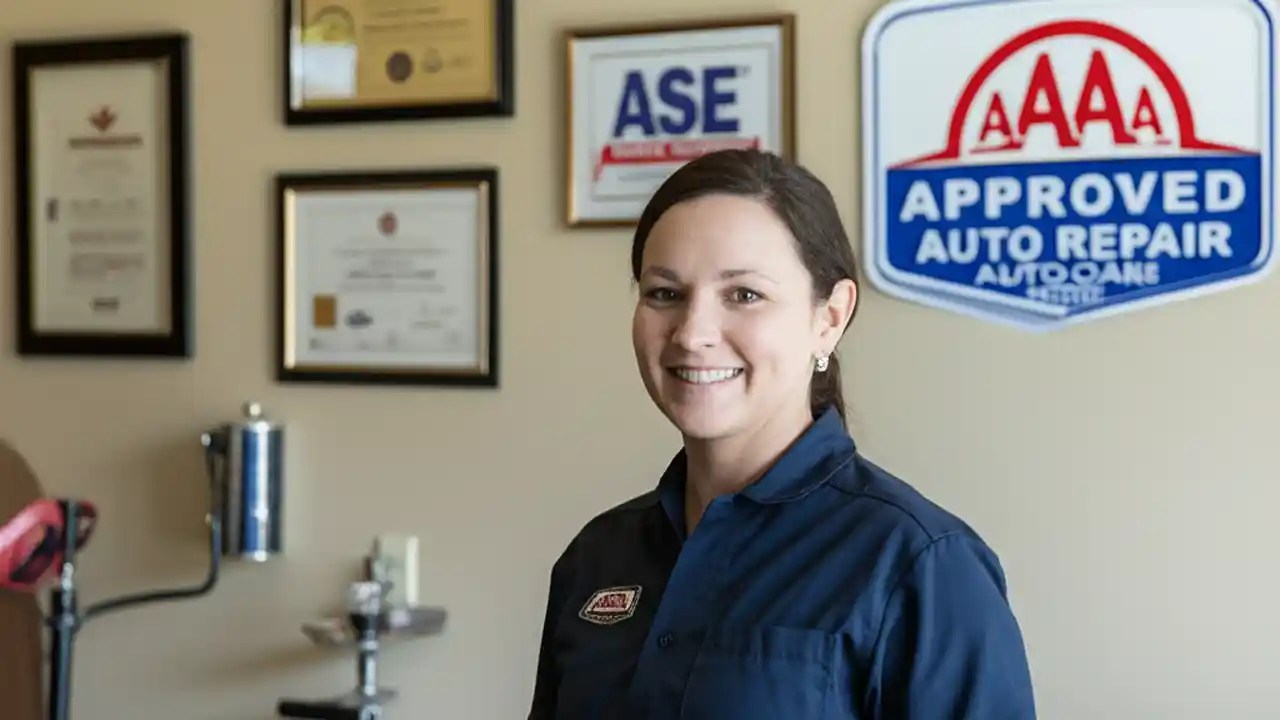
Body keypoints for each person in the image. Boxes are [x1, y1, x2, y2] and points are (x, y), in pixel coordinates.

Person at [528, 149, 1036, 719]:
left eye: (744, 295)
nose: (693, 333)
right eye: (664, 293)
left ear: (830, 317)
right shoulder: (598, 557)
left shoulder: (922, 565)